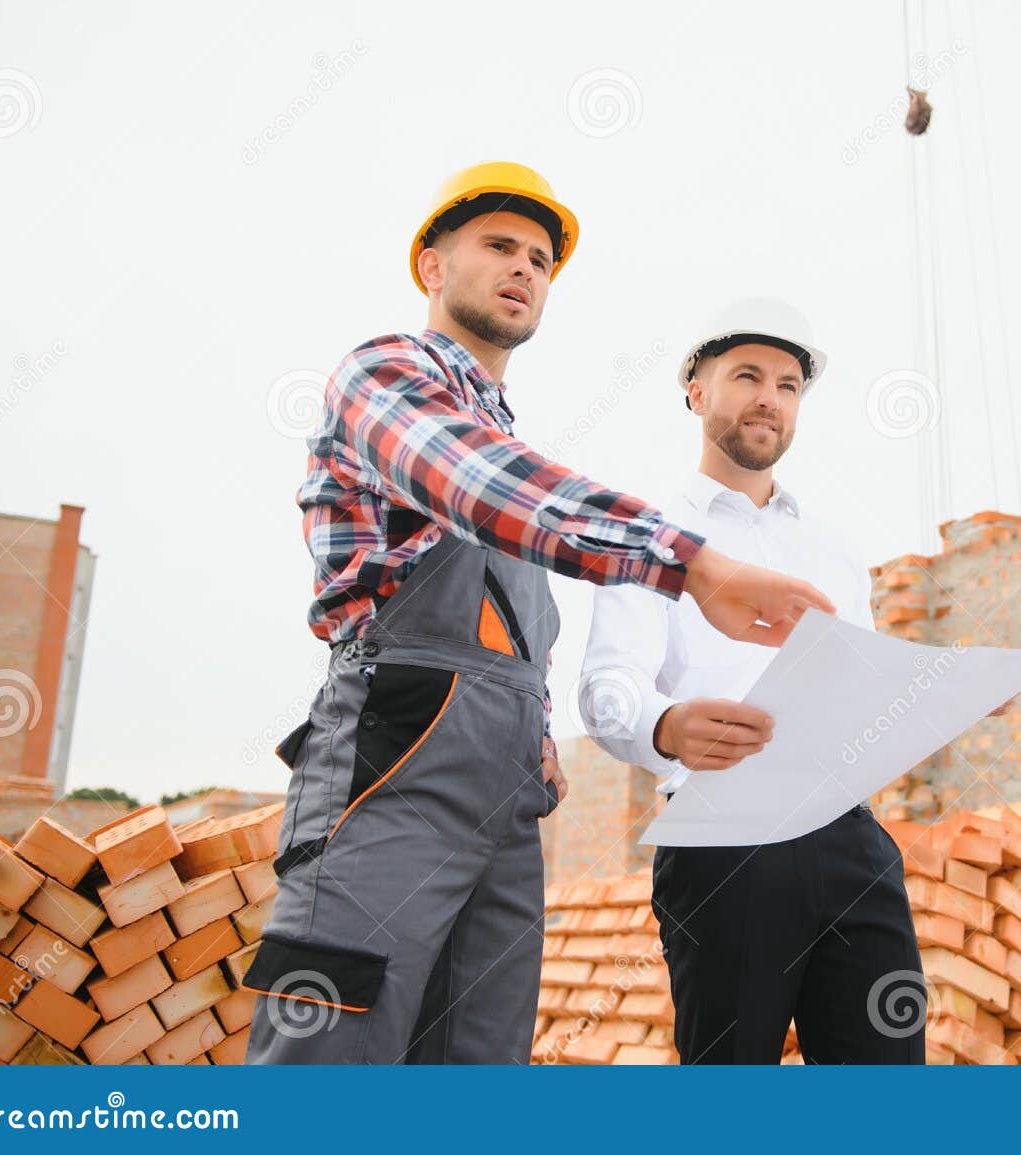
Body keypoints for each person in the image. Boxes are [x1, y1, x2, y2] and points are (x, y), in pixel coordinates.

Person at [243, 165, 834, 1065]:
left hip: (504, 806)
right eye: (498, 246)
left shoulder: (511, 441)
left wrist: (538, 733)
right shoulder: (386, 374)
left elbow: (514, 616)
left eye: (540, 258)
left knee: (479, 1069)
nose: (525, 267)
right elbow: (483, 485)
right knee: (332, 1059)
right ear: (432, 266)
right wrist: (694, 562)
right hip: (389, 777)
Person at [578, 299, 925, 1064]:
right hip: (723, 838)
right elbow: (607, 684)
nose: (771, 396)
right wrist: (665, 726)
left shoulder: (834, 552)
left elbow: (863, 695)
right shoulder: (653, 535)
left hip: (850, 839)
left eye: (789, 383)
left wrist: (938, 695)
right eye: (747, 375)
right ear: (695, 391)